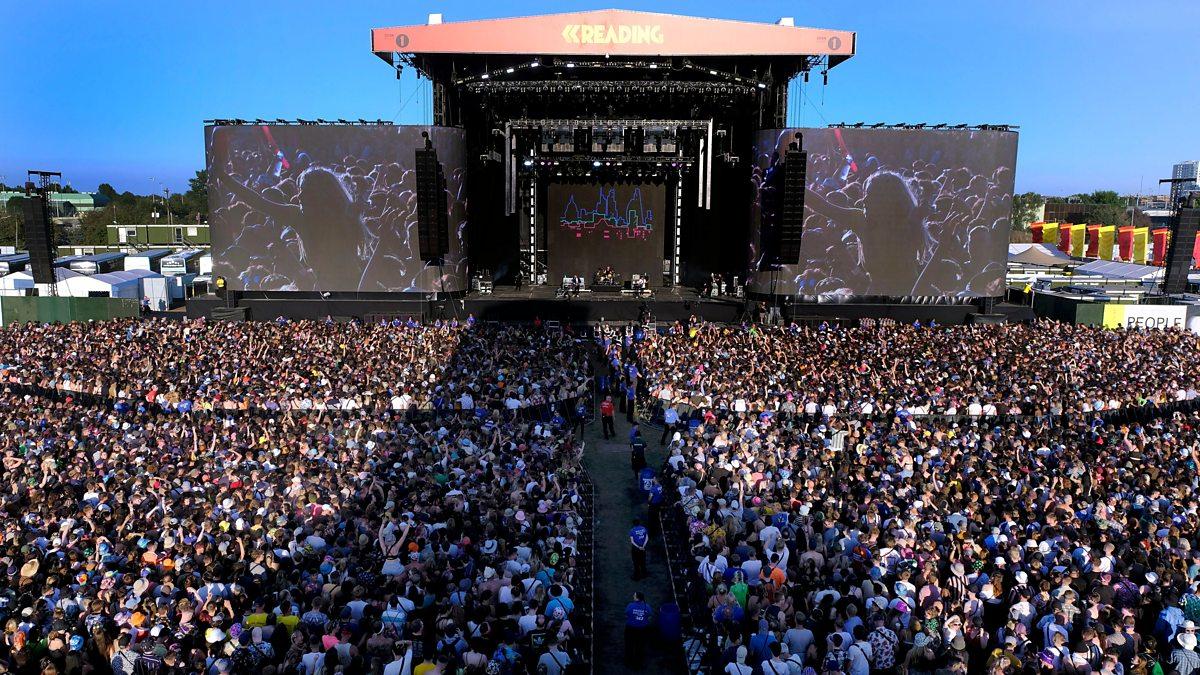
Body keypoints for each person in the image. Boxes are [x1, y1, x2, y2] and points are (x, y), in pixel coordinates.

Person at [625, 592, 654, 666]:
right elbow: (650, 616)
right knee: (640, 646)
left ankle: (628, 661)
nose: (633, 596)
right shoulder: (647, 607)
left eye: (634, 595)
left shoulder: (630, 605)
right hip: (642, 630)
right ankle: (638, 663)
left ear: (637, 598)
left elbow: (626, 614)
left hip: (630, 629)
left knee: (629, 645)